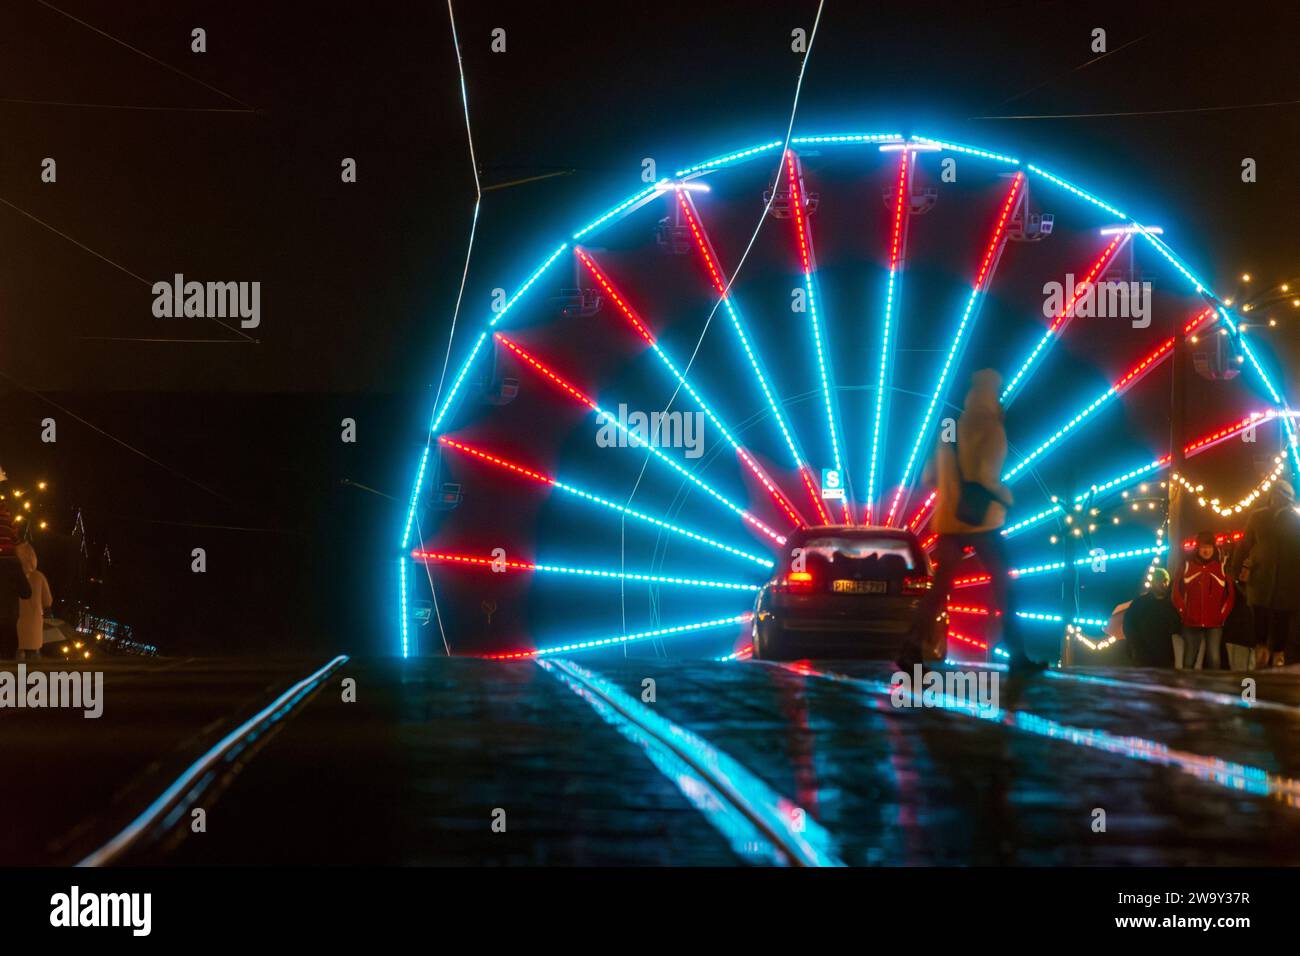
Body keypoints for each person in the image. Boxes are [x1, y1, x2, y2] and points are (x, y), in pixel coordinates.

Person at [926, 369, 1042, 672]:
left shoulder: (949, 426)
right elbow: (985, 478)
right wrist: (1007, 497)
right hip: (982, 525)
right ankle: (1017, 654)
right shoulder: (991, 428)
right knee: (1005, 585)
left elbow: (929, 476)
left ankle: (912, 646)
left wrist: (951, 492)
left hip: (950, 521)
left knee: (939, 590)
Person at [1227, 480, 1300, 667]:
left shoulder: (1296, 520)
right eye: (1276, 494)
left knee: (1281, 629)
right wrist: (1235, 571)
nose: (1277, 498)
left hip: (1288, 585)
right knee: (1260, 627)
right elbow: (1244, 545)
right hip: (1260, 583)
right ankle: (1262, 664)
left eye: (1282, 495)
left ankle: (1276, 662)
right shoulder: (1258, 517)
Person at [1173, 531, 1234, 670]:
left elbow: (1230, 596)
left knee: (1214, 659)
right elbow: (1176, 592)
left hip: (1215, 623)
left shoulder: (1221, 568)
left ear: (1214, 548)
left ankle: (1211, 688)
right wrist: (1184, 612)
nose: (1206, 550)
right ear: (1197, 548)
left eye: (1209, 546)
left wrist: (1222, 615)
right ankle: (1187, 689)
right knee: (1189, 659)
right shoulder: (1186, 566)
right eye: (1202, 547)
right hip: (1191, 622)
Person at [1122, 568, 1180, 667]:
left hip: (1163, 657)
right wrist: (1136, 647)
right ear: (1153, 582)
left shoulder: (1170, 604)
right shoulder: (1140, 603)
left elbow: (1176, 627)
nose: (1164, 584)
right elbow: (1128, 626)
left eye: (1166, 581)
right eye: (1160, 580)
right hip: (1143, 655)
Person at [15, 540, 51, 661]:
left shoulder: (10, 576)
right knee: (33, 666)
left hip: (14, 628)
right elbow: (48, 601)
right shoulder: (39, 577)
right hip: (33, 628)